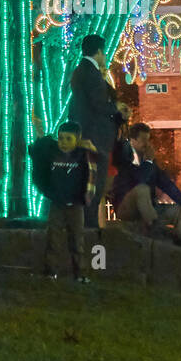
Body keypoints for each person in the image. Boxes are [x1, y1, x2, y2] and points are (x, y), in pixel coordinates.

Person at [68, 34, 126, 230]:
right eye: (104, 52)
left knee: (88, 183)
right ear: (99, 52)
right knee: (94, 184)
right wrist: (117, 108)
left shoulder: (78, 72)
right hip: (95, 137)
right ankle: (90, 227)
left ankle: (86, 224)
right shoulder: (91, 74)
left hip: (84, 134)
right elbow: (99, 104)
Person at [29, 120, 97, 282]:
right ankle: (51, 272)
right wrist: (42, 135)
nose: (64, 143)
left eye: (68, 139)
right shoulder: (52, 153)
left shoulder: (83, 156)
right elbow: (36, 152)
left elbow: (95, 164)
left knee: (77, 241)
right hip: (57, 203)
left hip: (76, 205)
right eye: (61, 138)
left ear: (77, 139)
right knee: (54, 239)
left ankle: (80, 273)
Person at [111, 122, 181, 245]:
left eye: (148, 140)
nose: (147, 144)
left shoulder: (148, 161)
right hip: (127, 208)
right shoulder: (124, 157)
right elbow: (140, 179)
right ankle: (154, 231)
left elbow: (165, 183)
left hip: (149, 208)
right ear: (133, 140)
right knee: (142, 189)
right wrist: (148, 161)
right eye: (143, 140)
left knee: (179, 211)